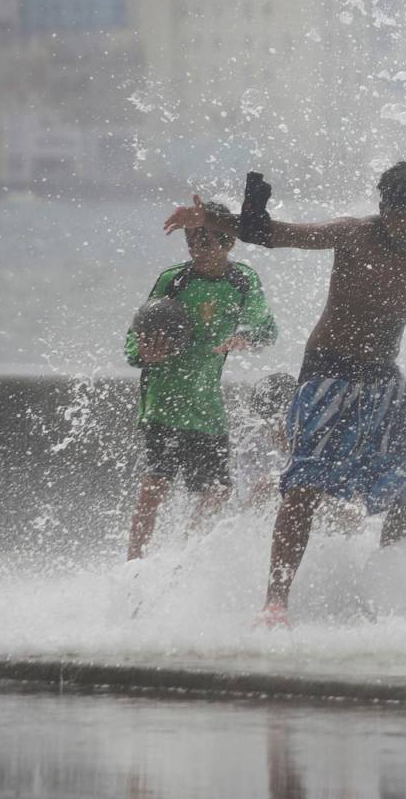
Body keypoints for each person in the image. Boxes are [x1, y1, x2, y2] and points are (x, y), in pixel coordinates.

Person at [164, 162, 406, 625]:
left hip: (382, 377)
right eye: (397, 215)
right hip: (329, 372)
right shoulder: (353, 234)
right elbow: (277, 234)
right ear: (383, 208)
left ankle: (389, 595)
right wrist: (216, 221)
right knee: (304, 487)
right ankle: (275, 602)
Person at [124, 201, 279, 560]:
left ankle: (180, 557)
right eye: (193, 242)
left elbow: (268, 330)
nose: (199, 250)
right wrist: (143, 354)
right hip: (164, 399)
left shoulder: (242, 281)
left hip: (206, 405)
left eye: (207, 242)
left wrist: (246, 340)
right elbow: (134, 335)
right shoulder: (174, 280)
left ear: (229, 243)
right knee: (154, 486)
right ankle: (132, 566)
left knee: (217, 491)